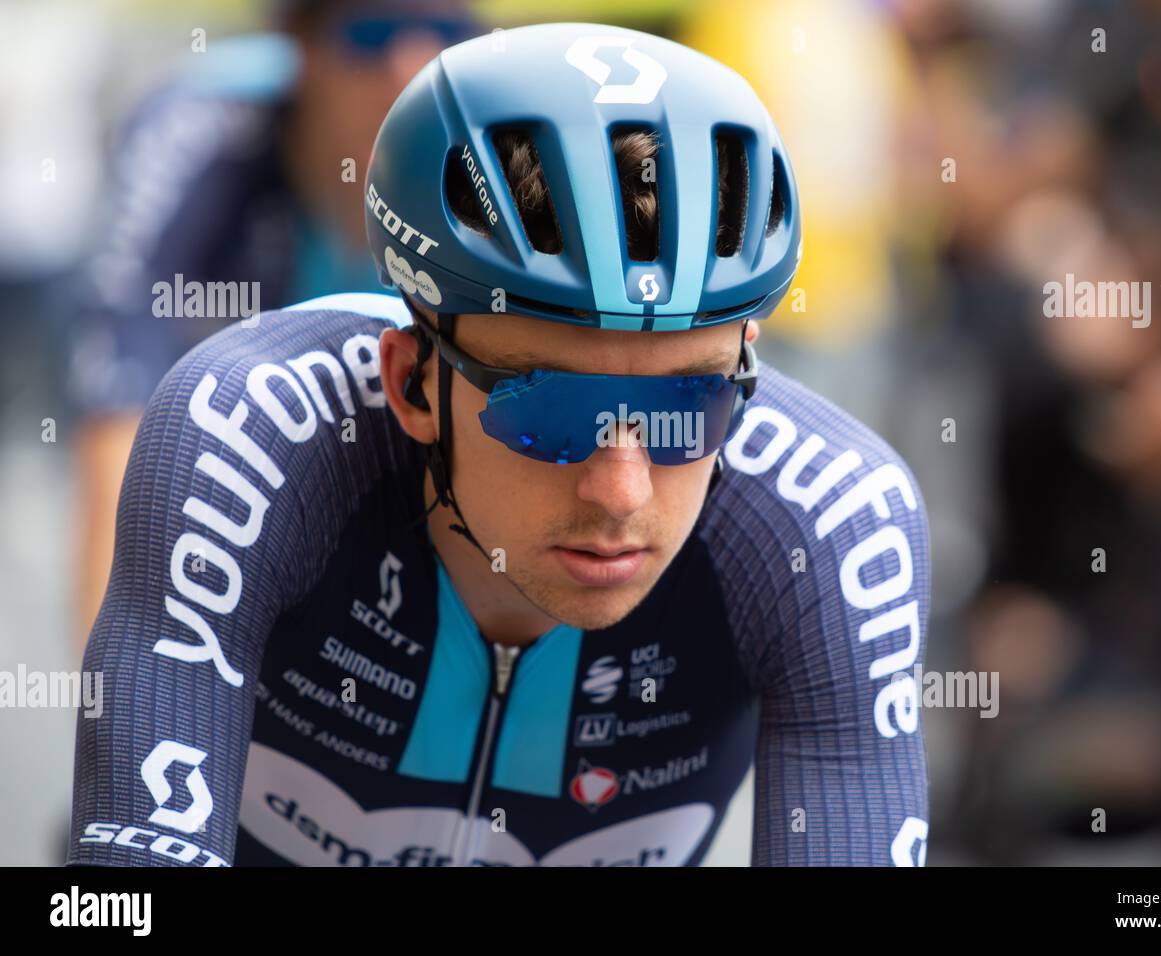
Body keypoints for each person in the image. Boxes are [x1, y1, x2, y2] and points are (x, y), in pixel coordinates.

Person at [68, 23, 930, 867]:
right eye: (550, 412)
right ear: (411, 382)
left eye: (687, 406)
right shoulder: (251, 437)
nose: (621, 491)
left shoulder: (829, 528)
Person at [70, 0, 472, 645]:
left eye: (446, 36)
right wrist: (109, 691)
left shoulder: (485, 140)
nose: (408, 70)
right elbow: (117, 404)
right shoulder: (201, 129)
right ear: (303, 53)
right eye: (371, 35)